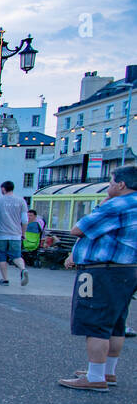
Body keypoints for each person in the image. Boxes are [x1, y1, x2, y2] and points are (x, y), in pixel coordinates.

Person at [58, 165, 137, 390]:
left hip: (103, 270)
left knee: (96, 322)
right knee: (116, 322)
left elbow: (78, 229)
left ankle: (94, 377)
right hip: (127, 270)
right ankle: (107, 372)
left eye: (111, 183)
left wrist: (103, 204)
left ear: (121, 184)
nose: (108, 187)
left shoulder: (116, 205)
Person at [0, 180, 30, 287]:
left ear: (3, 189)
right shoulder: (21, 201)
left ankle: (5, 279)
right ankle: (23, 269)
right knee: (16, 256)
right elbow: (25, 220)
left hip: (0, 234)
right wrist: (23, 233)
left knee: (1, 257)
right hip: (16, 234)